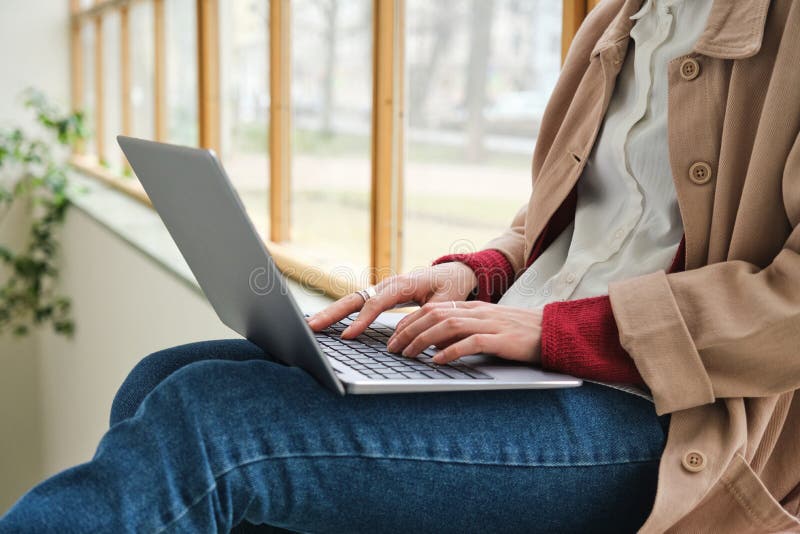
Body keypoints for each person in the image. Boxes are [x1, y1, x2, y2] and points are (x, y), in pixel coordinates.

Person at [3, 0, 800, 531]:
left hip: (657, 415)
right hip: (523, 358)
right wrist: (476, 275)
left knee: (214, 424)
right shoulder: (620, 21)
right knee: (160, 378)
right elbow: (581, 221)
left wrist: (556, 332)